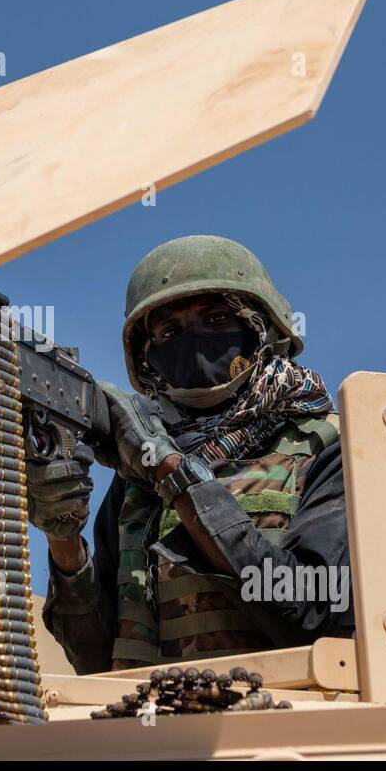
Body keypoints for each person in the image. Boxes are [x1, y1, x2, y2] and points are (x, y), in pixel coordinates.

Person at [31, 236, 354, 673]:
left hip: (272, 726)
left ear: (263, 331)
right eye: (167, 333)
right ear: (148, 361)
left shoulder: (328, 447)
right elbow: (93, 659)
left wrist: (173, 472)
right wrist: (64, 542)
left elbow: (313, 615)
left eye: (218, 319)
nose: (193, 341)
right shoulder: (134, 480)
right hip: (141, 732)